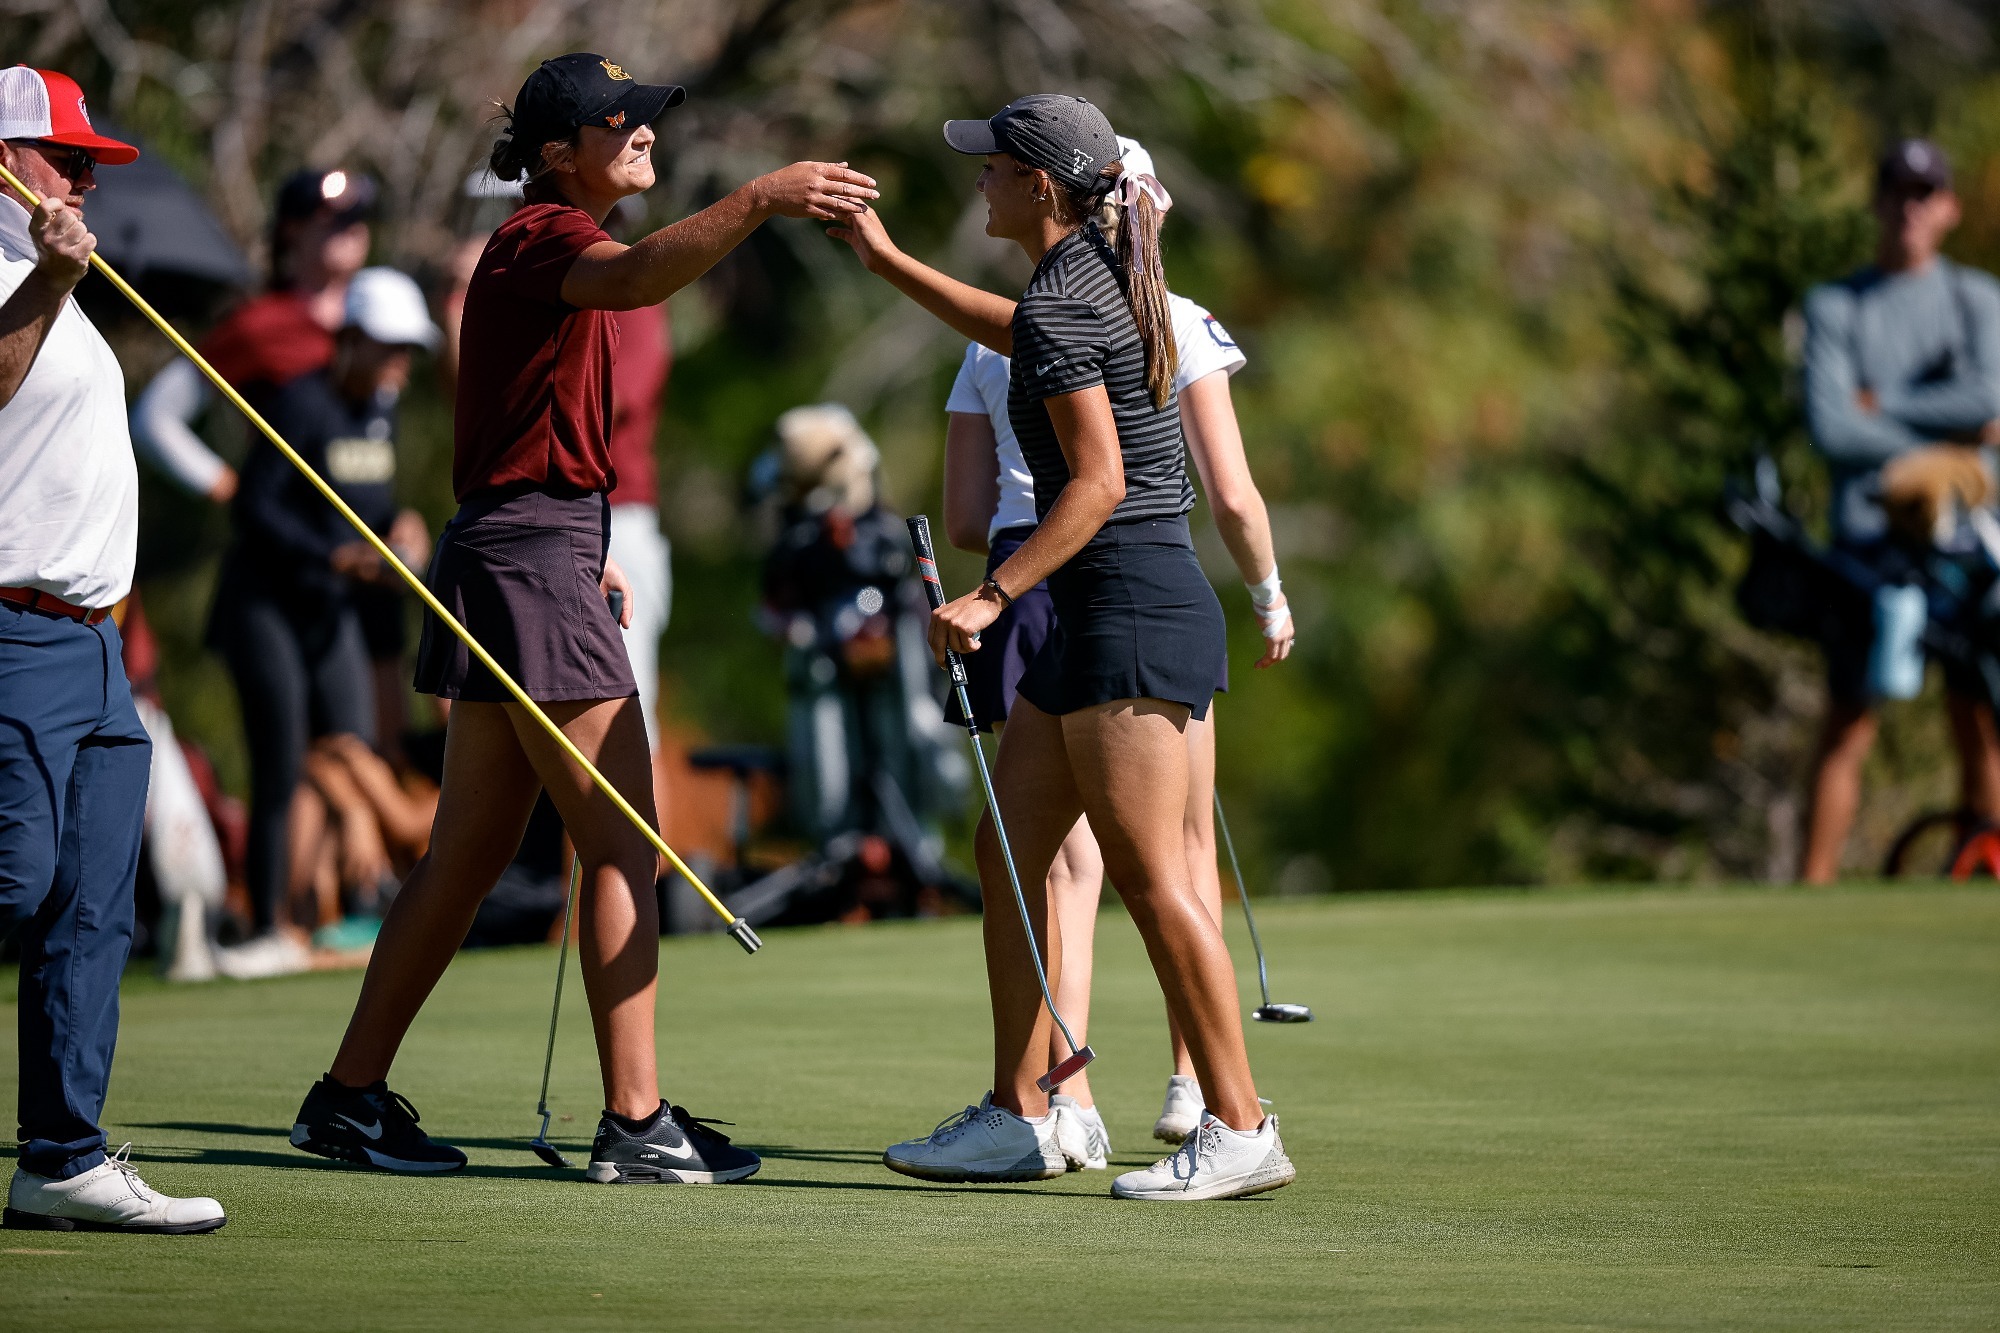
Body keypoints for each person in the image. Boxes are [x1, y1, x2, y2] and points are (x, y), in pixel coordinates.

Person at [286, 52, 877, 1184]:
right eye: (624, 125)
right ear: (560, 154)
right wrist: (759, 195)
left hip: (533, 549)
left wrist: (583, 548)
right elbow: (642, 276)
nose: (647, 136)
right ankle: (636, 1120)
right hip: (527, 555)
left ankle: (348, 1098)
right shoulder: (547, 236)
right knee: (620, 842)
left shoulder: (547, 239)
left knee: (465, 855)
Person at [832, 94, 1294, 1200]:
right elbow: (1009, 331)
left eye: (990, 168)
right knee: (1011, 853)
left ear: (1040, 188)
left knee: (1145, 878)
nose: (978, 183)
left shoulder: (1068, 294)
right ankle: (1023, 1112)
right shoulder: (1084, 277)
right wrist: (887, 261)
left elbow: (1100, 482)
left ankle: (1238, 1126)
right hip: (1103, 612)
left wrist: (991, 595)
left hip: (1126, 606)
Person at [0, 63, 226, 1233]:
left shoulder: (59, 276)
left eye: (92, 160)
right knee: (16, 883)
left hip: (94, 651)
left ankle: (62, 1156)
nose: (86, 174)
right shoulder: (24, 270)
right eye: (65, 154)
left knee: (93, 907)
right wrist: (47, 270)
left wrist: (56, 270)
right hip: (10, 632)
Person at [204, 267, 439, 979]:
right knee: (281, 761)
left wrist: (394, 526)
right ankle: (269, 922)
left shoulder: (383, 409)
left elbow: (367, 497)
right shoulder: (300, 403)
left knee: (353, 744)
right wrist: (332, 555)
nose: (401, 362)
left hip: (329, 607)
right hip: (265, 604)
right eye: (391, 347)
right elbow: (255, 507)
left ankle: (332, 910)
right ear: (354, 339)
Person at [1800, 138, 2000, 883]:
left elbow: (1992, 398)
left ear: (1947, 207)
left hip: (1961, 541)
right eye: (1897, 192)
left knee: (1978, 711)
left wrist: (1883, 404)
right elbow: (1831, 428)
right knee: (1850, 716)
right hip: (1866, 539)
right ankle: (1809, 891)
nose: (1910, 208)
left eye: (1925, 194)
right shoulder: (1837, 306)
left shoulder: (1975, 299)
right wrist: (1951, 432)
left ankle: (1982, 867)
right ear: (1877, 201)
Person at [130, 167, 377, 505]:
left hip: (364, 537)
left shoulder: (382, 320)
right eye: (332, 219)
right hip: (287, 541)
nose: (351, 228)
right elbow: (154, 416)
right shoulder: (260, 324)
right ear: (292, 230)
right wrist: (229, 487)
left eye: (358, 217)